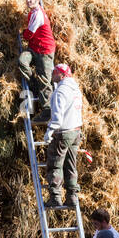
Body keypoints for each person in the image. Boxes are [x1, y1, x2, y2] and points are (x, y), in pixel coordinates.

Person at [42, 63, 83, 210]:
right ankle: (72, 196)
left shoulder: (60, 92)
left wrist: (49, 131)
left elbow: (57, 117)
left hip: (63, 132)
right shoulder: (76, 90)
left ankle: (55, 197)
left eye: (55, 72)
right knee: (71, 165)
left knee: (55, 165)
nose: (52, 74)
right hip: (76, 131)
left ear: (62, 75)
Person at [19, 0, 55, 117]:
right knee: (22, 61)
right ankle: (33, 83)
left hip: (45, 51)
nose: (28, 1)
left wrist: (23, 33)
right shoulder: (32, 12)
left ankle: (47, 110)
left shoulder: (38, 14)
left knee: (45, 82)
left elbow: (28, 34)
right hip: (34, 49)